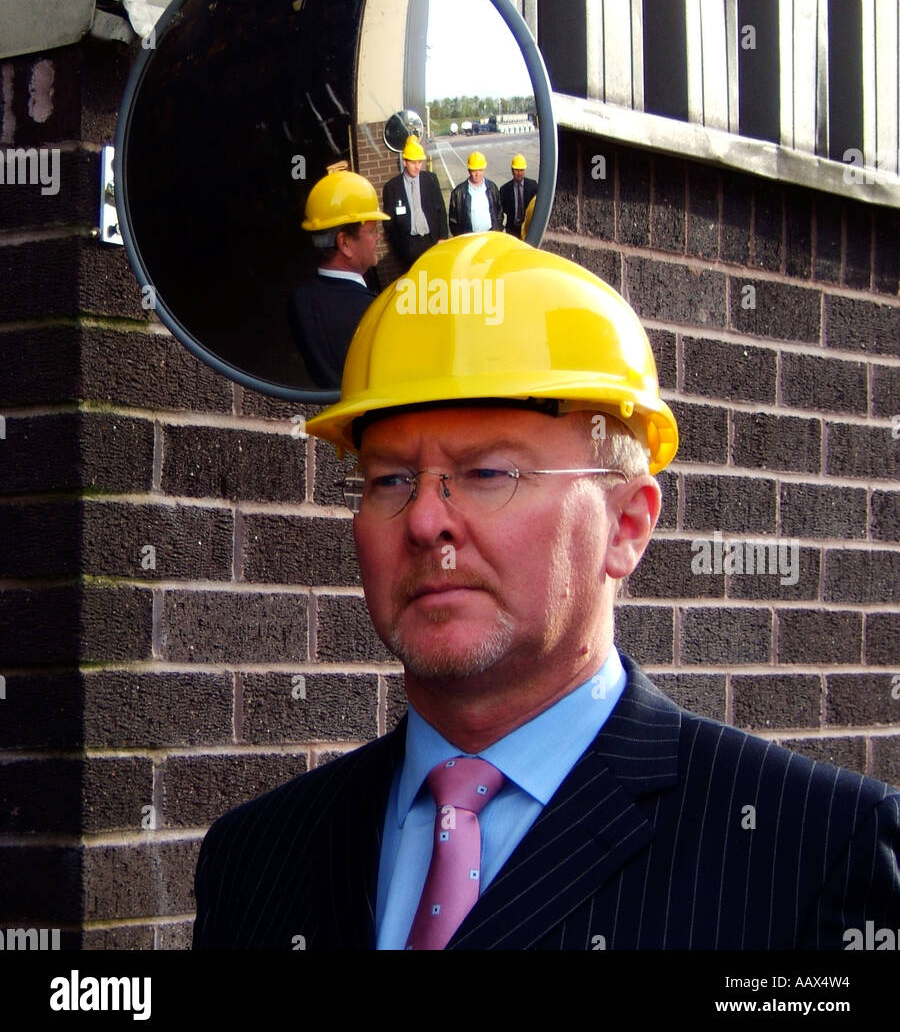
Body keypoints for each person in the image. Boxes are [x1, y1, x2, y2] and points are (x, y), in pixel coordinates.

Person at [196, 233, 900, 950]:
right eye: (390, 480)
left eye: (489, 472)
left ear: (626, 525)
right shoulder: (254, 856)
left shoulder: (814, 853)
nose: (427, 519)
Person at [286, 169, 389, 389]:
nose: (377, 237)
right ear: (345, 244)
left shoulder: (300, 300)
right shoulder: (372, 312)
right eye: (372, 231)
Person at [382, 135, 448, 267]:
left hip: (432, 240)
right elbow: (389, 223)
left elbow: (440, 209)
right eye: (413, 163)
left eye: (420, 162)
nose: (417, 167)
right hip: (409, 245)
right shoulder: (392, 187)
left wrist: (442, 237)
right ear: (405, 162)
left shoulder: (430, 179)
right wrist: (400, 247)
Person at [448, 151, 502, 235]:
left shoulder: (492, 188)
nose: (477, 174)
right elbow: (453, 221)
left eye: (480, 170)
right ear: (469, 170)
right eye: (474, 171)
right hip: (469, 238)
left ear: (484, 169)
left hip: (490, 236)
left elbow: (499, 212)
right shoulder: (458, 193)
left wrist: (498, 230)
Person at [499, 153, 538, 236]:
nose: (519, 173)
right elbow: (499, 210)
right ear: (512, 170)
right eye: (517, 170)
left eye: (521, 170)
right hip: (512, 230)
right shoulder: (504, 190)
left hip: (528, 228)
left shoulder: (533, 186)